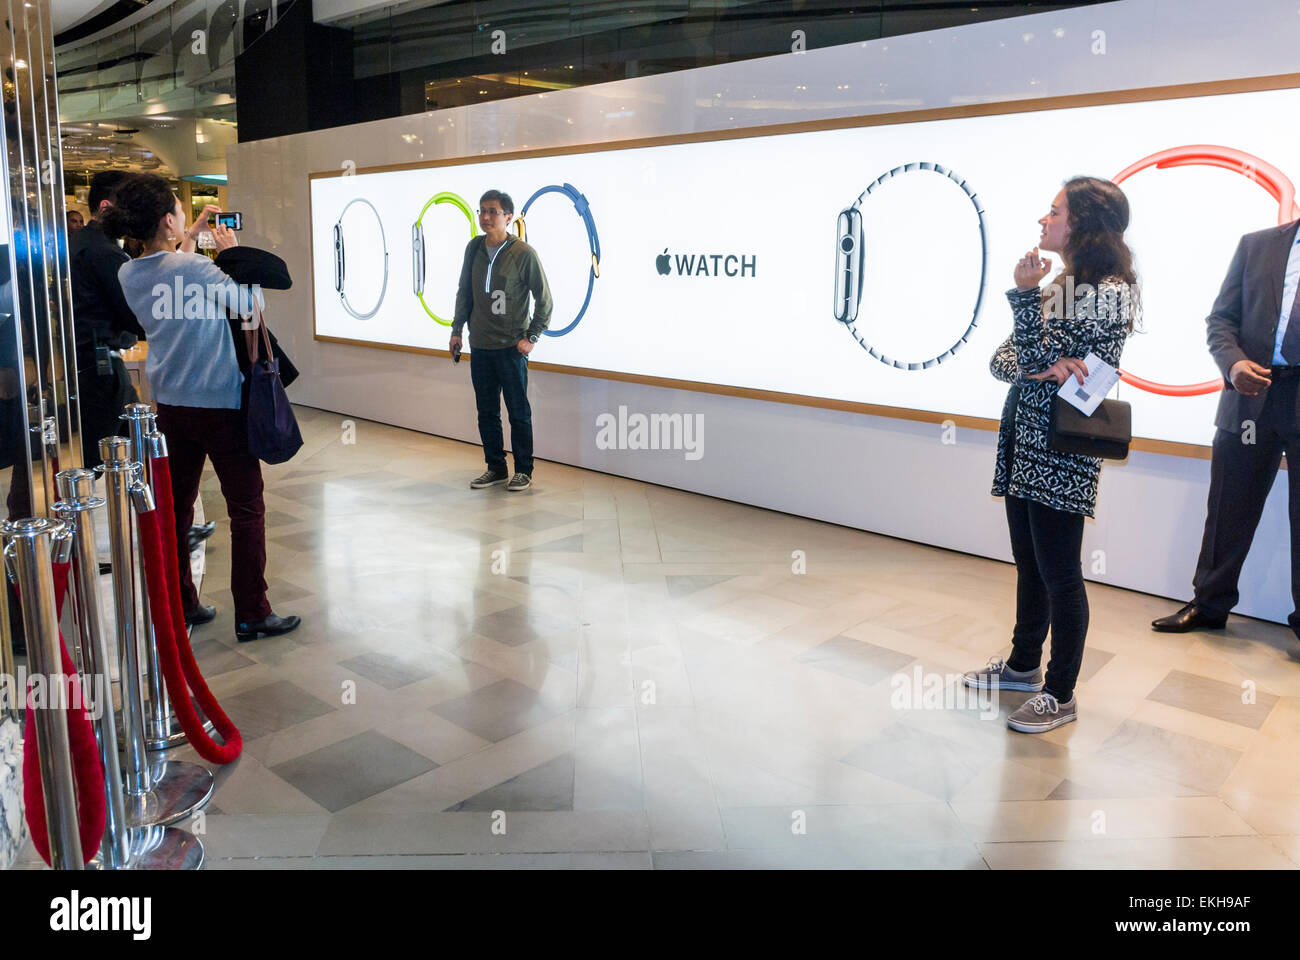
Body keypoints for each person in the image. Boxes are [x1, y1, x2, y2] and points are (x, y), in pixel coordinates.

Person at [963, 177, 1138, 734]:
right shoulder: (1063, 284)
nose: (1044, 219)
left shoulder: (1110, 290)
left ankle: (1060, 692)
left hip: (1062, 447)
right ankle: (1021, 665)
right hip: (1025, 441)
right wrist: (1041, 357)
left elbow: (1058, 360)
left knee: (1060, 571)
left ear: (1084, 222)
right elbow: (1003, 358)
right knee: (1029, 562)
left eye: (1056, 211)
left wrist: (1022, 300)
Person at [101, 173, 300, 643]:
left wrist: (187, 240)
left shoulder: (129, 272)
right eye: (180, 211)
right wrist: (232, 252)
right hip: (221, 404)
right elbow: (250, 306)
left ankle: (182, 604)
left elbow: (172, 268)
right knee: (246, 509)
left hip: (169, 404)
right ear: (169, 219)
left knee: (176, 511)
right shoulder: (197, 270)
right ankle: (252, 612)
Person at [1151, 215, 1300, 642]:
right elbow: (1221, 320)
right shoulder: (1257, 245)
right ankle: (1209, 605)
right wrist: (1233, 364)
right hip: (1251, 394)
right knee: (1228, 507)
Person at [449, 189, 553, 492]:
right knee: (487, 412)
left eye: (493, 211)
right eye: (482, 210)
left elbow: (544, 301)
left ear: (508, 217)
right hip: (480, 346)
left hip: (510, 348)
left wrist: (531, 336)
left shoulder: (523, 253)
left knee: (518, 412)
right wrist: (457, 331)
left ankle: (524, 470)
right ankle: (495, 467)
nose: (485, 217)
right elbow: (464, 292)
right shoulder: (474, 248)